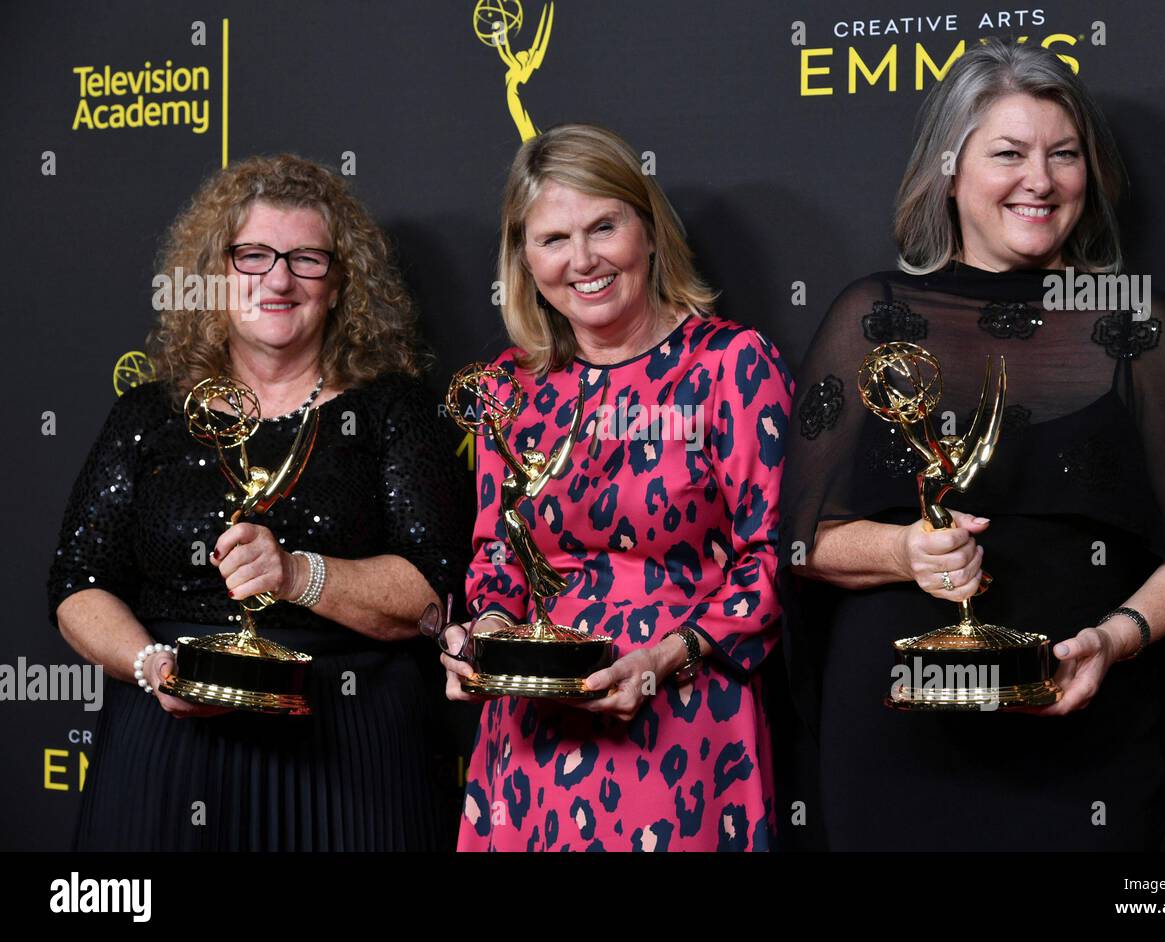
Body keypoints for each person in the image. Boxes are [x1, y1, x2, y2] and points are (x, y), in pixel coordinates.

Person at [780, 40, 1165, 850]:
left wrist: (1112, 639)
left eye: (1064, 155)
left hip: (1081, 741)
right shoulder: (872, 315)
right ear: (950, 170)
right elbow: (799, 541)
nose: (1041, 180)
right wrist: (904, 552)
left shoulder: (1138, 325)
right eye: (1009, 153)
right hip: (897, 744)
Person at [48, 153, 473, 850]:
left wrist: (297, 574)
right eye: (254, 255)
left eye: (307, 259)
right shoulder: (147, 415)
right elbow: (76, 585)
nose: (278, 278)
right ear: (216, 274)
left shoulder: (392, 410)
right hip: (165, 756)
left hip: (349, 756)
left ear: (339, 283)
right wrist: (154, 665)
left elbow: (434, 594)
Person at [440, 124, 793, 851]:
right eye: (553, 239)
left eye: (605, 226)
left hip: (685, 720)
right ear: (523, 259)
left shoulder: (730, 364)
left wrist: (664, 659)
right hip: (532, 733)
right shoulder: (507, 387)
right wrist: (492, 638)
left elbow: (773, 557)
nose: (583, 261)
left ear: (650, 231)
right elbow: (496, 561)